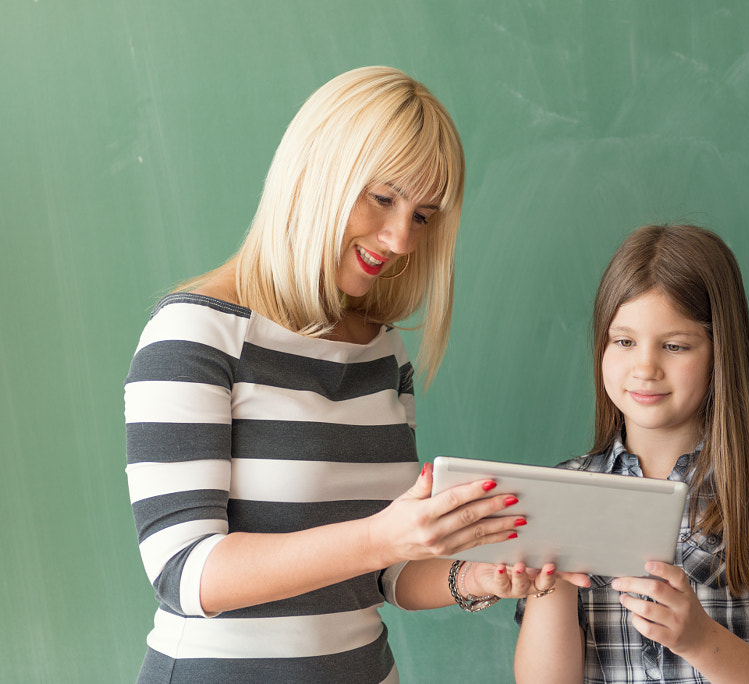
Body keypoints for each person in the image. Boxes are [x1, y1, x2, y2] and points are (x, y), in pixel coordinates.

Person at [124, 66, 584, 684]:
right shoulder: (194, 336)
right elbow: (185, 572)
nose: (400, 239)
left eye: (422, 216)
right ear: (318, 173)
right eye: (383, 197)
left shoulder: (384, 355)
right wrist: (383, 537)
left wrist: (474, 577)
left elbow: (381, 573)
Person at [514, 224, 749, 683]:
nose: (645, 367)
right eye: (624, 341)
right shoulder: (566, 491)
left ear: (720, 354)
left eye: (675, 346)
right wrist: (554, 586)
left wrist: (700, 640)